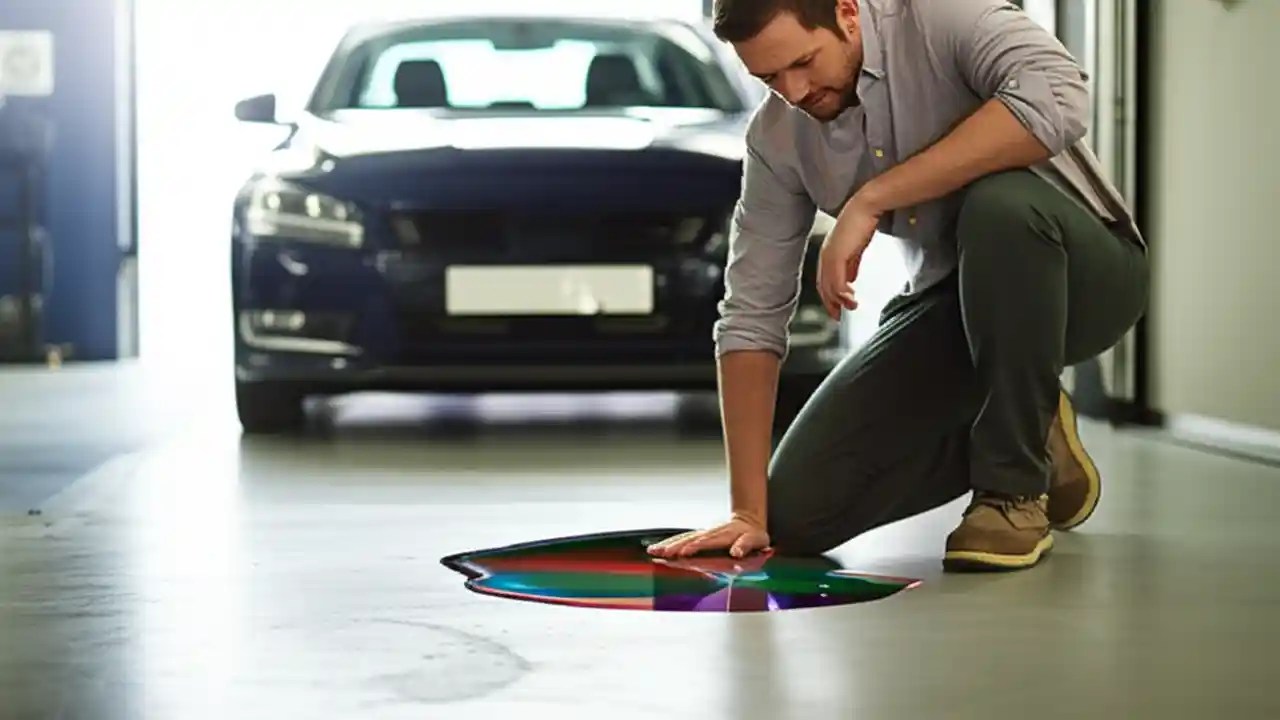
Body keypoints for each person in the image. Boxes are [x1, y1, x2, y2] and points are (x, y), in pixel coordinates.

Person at [646, 0, 1149, 571]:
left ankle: (1011, 492)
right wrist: (747, 512)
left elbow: (1059, 93)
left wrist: (874, 198)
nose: (794, 91)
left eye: (804, 62)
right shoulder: (778, 136)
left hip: (1085, 274)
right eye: (768, 77)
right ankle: (1032, 423)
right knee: (797, 514)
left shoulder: (943, 18)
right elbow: (750, 314)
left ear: (846, 13)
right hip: (950, 304)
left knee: (999, 206)